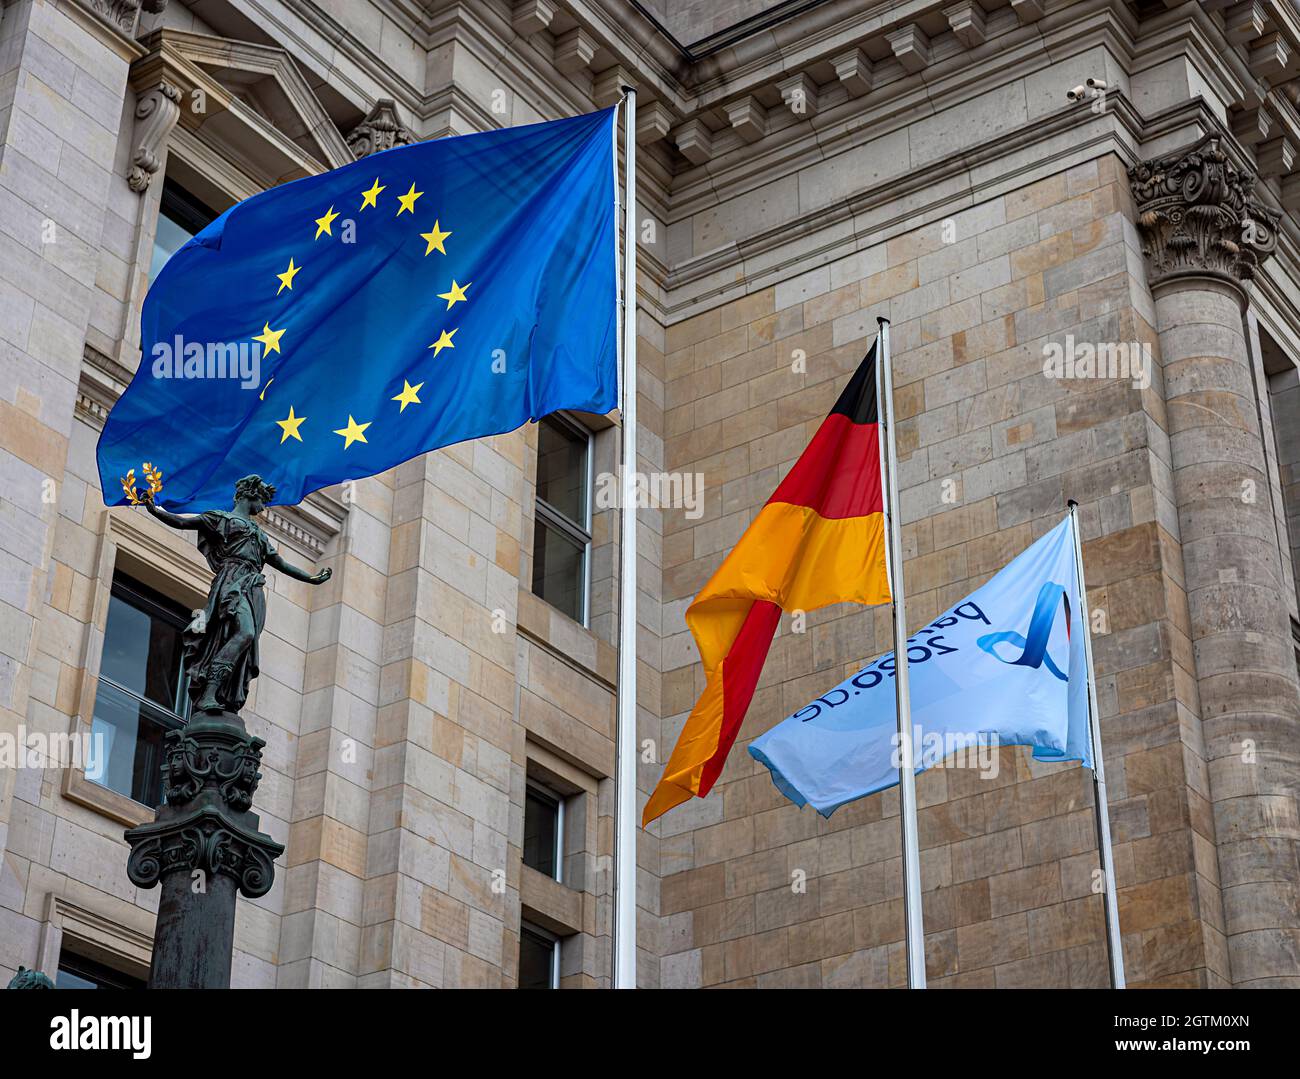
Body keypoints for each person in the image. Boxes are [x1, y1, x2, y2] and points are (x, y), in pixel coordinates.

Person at [145, 474, 331, 714]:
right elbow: (183, 523)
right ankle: (210, 690)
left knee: (246, 637)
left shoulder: (258, 534)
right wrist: (155, 510)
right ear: (250, 494)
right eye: (262, 500)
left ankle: (221, 691)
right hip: (231, 583)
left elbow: (280, 563)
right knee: (245, 632)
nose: (263, 507)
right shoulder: (221, 519)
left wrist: (311, 578)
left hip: (252, 588)